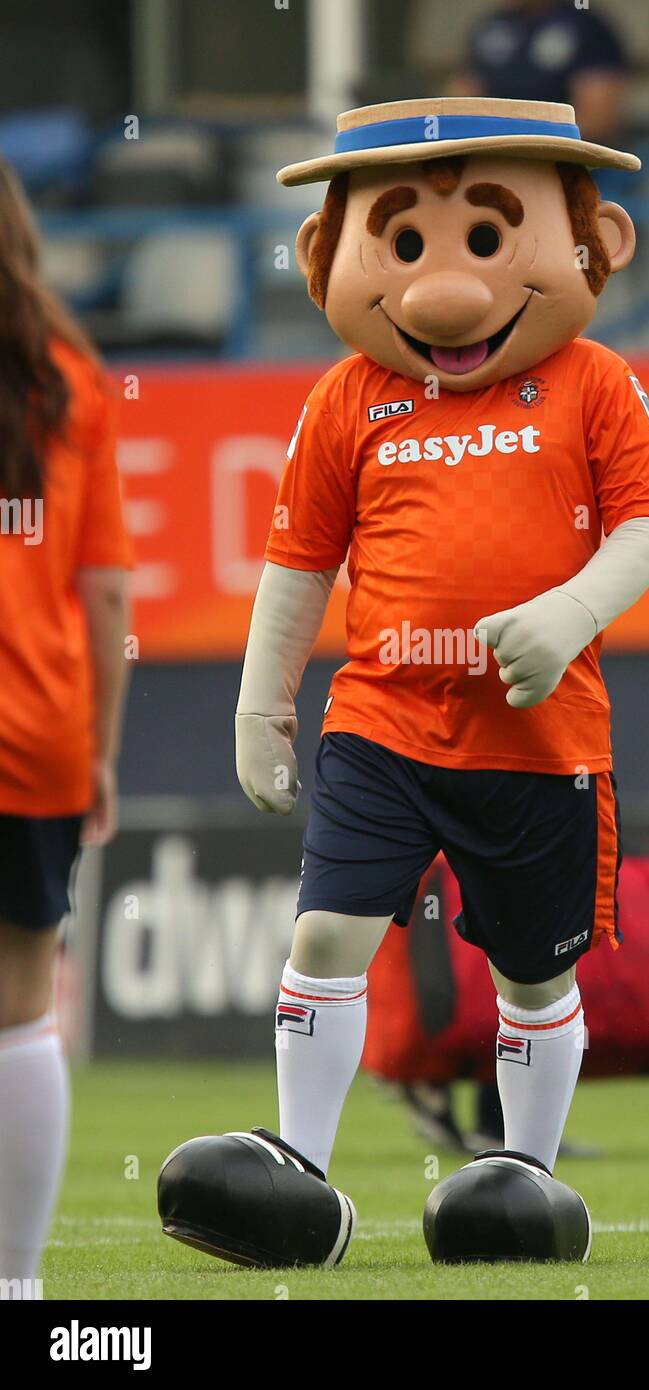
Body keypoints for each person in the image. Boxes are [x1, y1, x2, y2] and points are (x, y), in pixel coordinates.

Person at [234, 96, 649, 1204]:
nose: (445, 287)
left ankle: (522, 1177)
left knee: (533, 972)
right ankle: (303, 1170)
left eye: (488, 239)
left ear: (598, 241)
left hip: (537, 740)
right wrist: (262, 705)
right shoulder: (345, 398)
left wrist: (570, 612)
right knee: (328, 933)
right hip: (381, 720)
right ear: (321, 256)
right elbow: (298, 561)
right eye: (401, 244)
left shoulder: (595, 382)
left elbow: (648, 528)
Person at [0, 158, 132, 1291]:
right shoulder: (71, 388)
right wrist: (96, 752)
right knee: (21, 1006)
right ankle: (19, 1281)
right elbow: (104, 596)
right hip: (35, 733)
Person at [452, 0, 628, 144]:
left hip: (566, 161)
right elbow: (460, 106)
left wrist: (523, 143)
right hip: (491, 154)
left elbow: (597, 122)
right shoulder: (488, 27)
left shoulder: (588, 27)